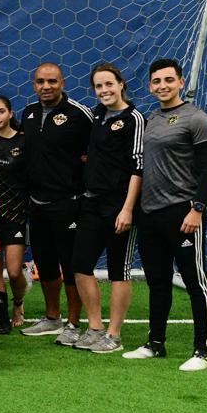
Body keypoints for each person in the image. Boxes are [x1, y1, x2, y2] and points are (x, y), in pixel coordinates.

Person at [123, 58, 207, 371]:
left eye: (168, 80)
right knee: (158, 282)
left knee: (195, 282)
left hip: (183, 212)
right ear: (150, 86)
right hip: (150, 215)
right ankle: (156, 343)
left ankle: (202, 351)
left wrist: (197, 209)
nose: (162, 86)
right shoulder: (150, 119)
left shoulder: (196, 118)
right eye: (156, 81)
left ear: (180, 82)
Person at [70, 64, 145, 353]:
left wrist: (127, 209)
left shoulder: (134, 119)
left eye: (109, 84)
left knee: (119, 270)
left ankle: (113, 335)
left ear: (121, 84)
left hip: (119, 205)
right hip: (91, 203)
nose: (104, 90)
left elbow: (138, 168)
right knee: (80, 264)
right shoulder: (97, 116)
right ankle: (95, 328)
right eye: (99, 86)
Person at [18, 62, 93, 345]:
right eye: (40, 81)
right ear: (34, 84)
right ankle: (52, 318)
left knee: (71, 265)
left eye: (52, 81)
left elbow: (99, 148)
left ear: (62, 83)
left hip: (69, 203)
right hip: (37, 203)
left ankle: (74, 323)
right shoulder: (28, 113)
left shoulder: (79, 114)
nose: (46, 86)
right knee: (46, 263)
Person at [0, 96, 29, 333]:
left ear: (11, 113)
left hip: (16, 213)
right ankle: (2, 322)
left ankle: (18, 302)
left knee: (13, 271)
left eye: (1, 111)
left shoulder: (24, 140)